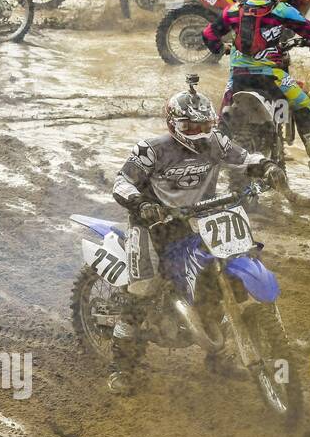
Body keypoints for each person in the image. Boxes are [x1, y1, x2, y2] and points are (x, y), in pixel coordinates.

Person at [108, 76, 280, 394]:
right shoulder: (152, 150)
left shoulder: (215, 143)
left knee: (218, 282)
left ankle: (219, 357)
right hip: (153, 225)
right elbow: (121, 182)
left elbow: (244, 157)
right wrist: (141, 204)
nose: (199, 134)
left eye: (205, 126)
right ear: (174, 124)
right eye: (190, 127)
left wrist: (267, 166)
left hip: (200, 222)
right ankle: (121, 368)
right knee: (142, 291)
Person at [203, 0, 310, 178]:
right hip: (272, 78)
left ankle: (211, 166)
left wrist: (221, 48)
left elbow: (208, 35)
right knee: (304, 105)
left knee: (221, 118)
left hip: (238, 80)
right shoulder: (281, 9)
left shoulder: (233, 10)